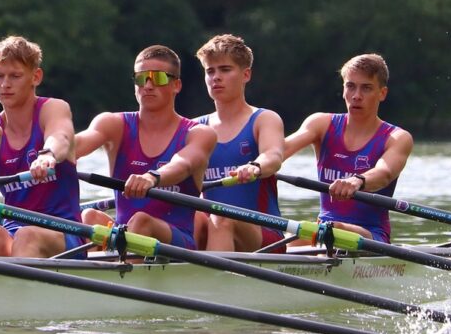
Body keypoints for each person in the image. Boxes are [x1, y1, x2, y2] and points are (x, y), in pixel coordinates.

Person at [75, 45, 216, 249]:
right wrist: (52, 153)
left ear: (176, 85)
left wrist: (151, 177)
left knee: (142, 220)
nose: (148, 86)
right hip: (126, 234)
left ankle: (115, 269)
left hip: (177, 240)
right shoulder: (113, 124)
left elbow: (183, 164)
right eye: (141, 78)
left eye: (157, 78)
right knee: (89, 217)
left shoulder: (199, 134)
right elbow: (79, 142)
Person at [282, 53, 413, 242]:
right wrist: (257, 162)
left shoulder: (397, 138)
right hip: (323, 229)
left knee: (327, 230)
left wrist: (358, 181)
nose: (356, 96)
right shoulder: (321, 123)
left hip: (371, 236)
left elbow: (384, 173)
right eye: (350, 86)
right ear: (343, 89)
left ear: (382, 93)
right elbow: (282, 149)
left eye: (366, 88)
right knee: (297, 233)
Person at [0, 35, 84, 258]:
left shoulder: (53, 108)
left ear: (35, 77)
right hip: (12, 233)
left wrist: (47, 155)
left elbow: (61, 136)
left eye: (15, 76)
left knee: (27, 235)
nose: (5, 84)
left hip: (65, 233)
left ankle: (16, 290)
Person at [193, 34, 287, 252]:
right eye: (210, 71)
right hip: (212, 227)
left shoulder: (264, 119)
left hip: (264, 234)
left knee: (221, 218)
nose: (216, 77)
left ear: (246, 75)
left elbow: (273, 156)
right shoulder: (195, 128)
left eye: (225, 70)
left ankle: (213, 283)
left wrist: (255, 166)